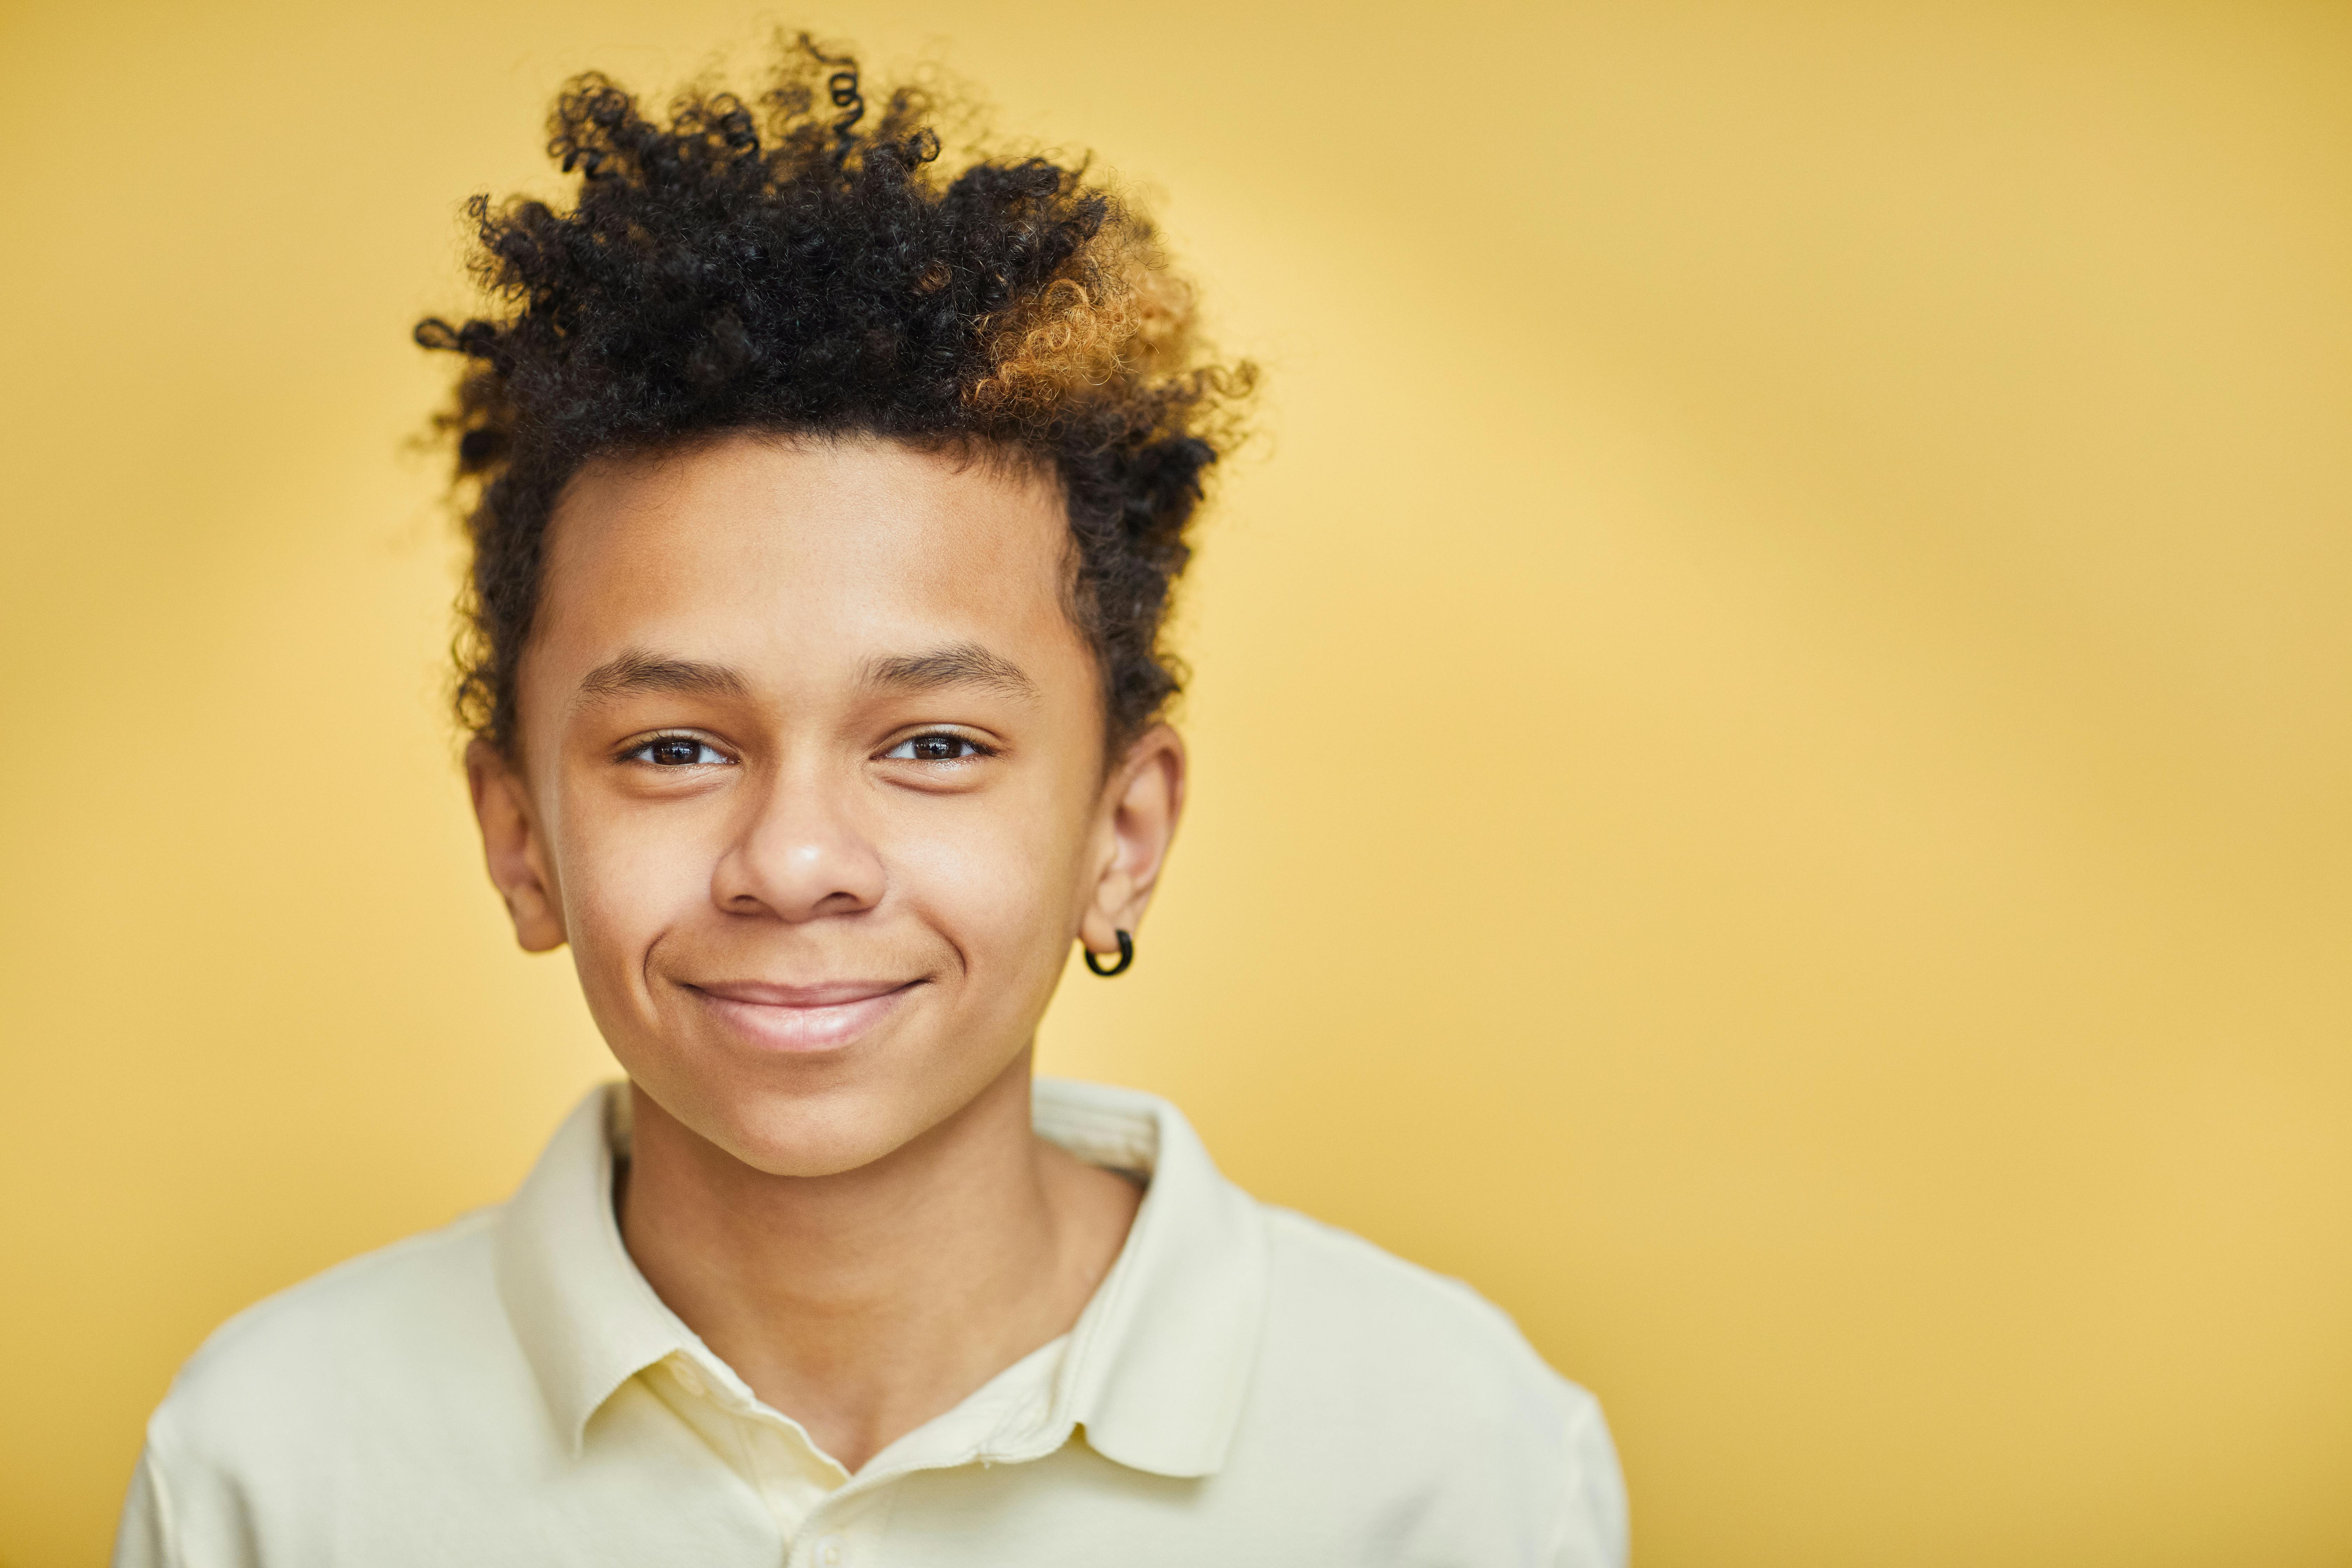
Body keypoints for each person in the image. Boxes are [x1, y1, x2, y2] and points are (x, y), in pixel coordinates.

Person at [112, 36, 1626, 1568]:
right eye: (676, 750)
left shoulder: (1453, 1452)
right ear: (521, 840)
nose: (797, 862)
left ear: (1124, 834)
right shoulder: (270, 1460)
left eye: (937, 744)